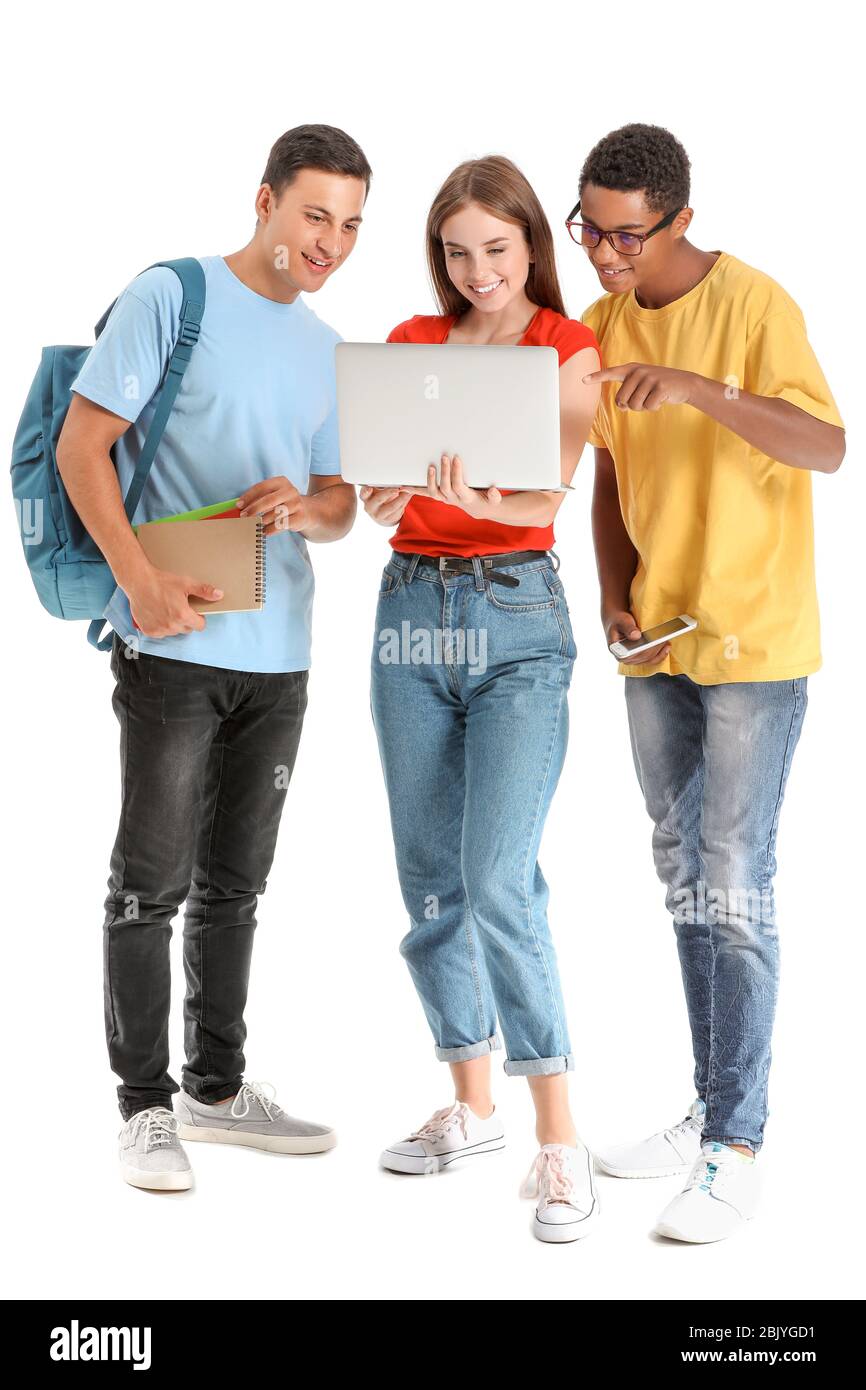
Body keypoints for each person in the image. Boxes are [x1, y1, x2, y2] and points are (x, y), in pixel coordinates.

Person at [56, 124, 368, 1191]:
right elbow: (80, 444)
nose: (329, 240)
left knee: (236, 884)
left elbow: (339, 504)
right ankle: (144, 1108)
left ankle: (218, 1090)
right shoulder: (172, 295)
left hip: (280, 651)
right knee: (151, 882)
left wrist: (306, 509)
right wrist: (138, 580)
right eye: (314, 214)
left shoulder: (328, 346)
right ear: (265, 202)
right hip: (173, 639)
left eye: (349, 223)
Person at [575, 123, 845, 1242]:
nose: (600, 254)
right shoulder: (593, 327)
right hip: (658, 646)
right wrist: (611, 594)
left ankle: (737, 1142)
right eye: (585, 228)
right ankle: (707, 1106)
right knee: (681, 866)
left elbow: (824, 445)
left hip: (750, 649)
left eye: (624, 235)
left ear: (679, 220)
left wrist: (693, 385)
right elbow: (603, 473)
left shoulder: (756, 305)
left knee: (733, 876)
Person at [360, 155, 602, 1242]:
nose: (475, 271)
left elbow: (549, 490)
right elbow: (375, 501)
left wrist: (479, 495)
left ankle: (558, 1138)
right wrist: (385, 489)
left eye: (495, 249)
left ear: (526, 247)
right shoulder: (412, 346)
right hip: (410, 611)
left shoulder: (565, 345)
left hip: (514, 621)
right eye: (457, 253)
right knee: (428, 877)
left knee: (497, 873)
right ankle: (471, 1104)